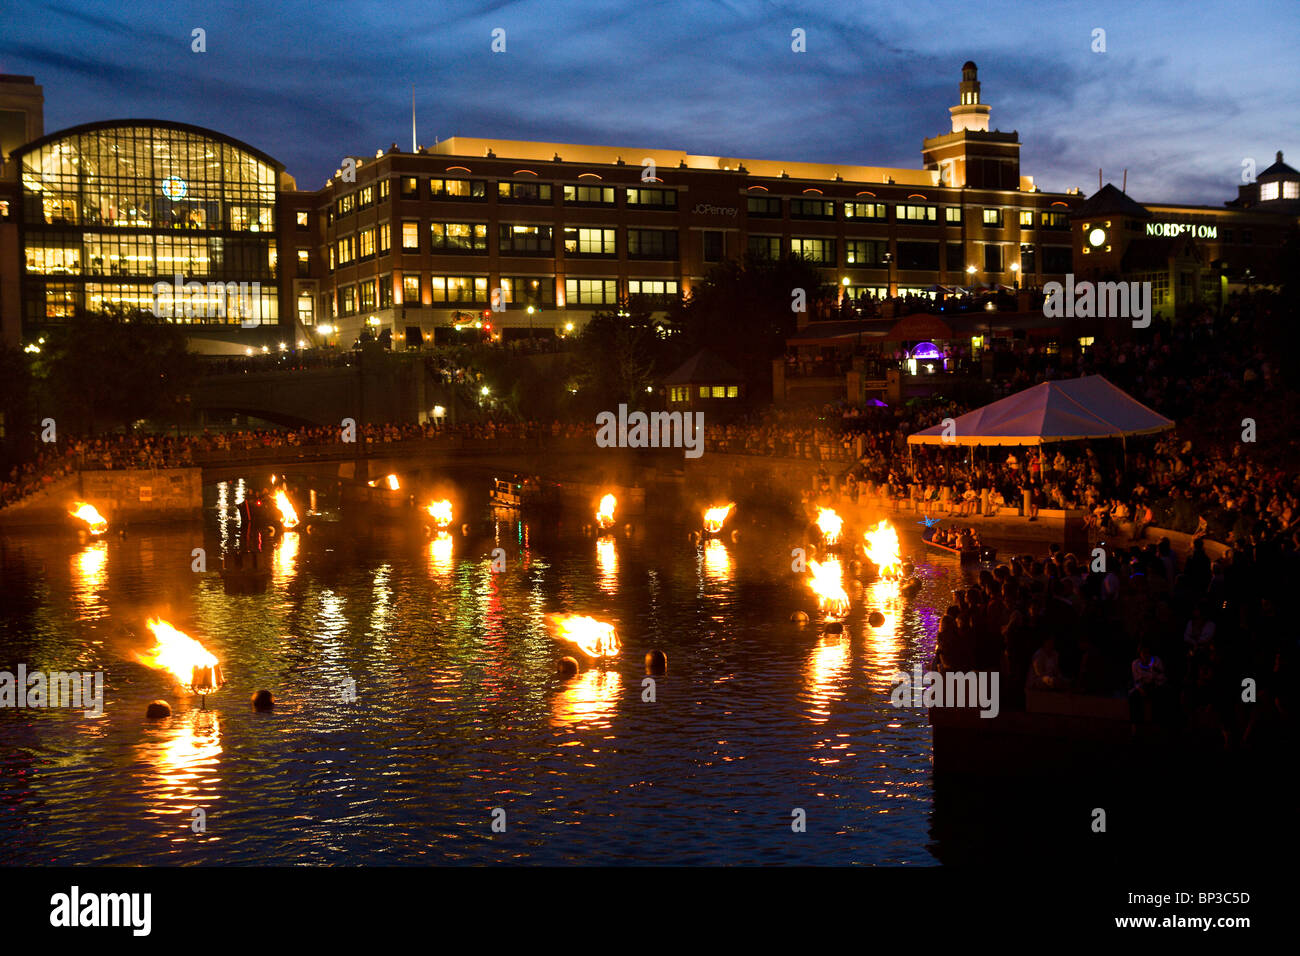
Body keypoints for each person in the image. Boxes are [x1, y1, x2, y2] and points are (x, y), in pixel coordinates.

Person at [1129, 643, 1168, 731]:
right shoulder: (1135, 664)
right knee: (1133, 696)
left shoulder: (1157, 661)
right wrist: (1141, 689)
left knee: (1159, 696)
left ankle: (1157, 723)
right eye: (1143, 653)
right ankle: (1135, 725)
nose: (1145, 655)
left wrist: (1155, 675)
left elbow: (1162, 679)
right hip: (1142, 686)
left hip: (1156, 685)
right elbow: (1137, 680)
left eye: (1147, 653)